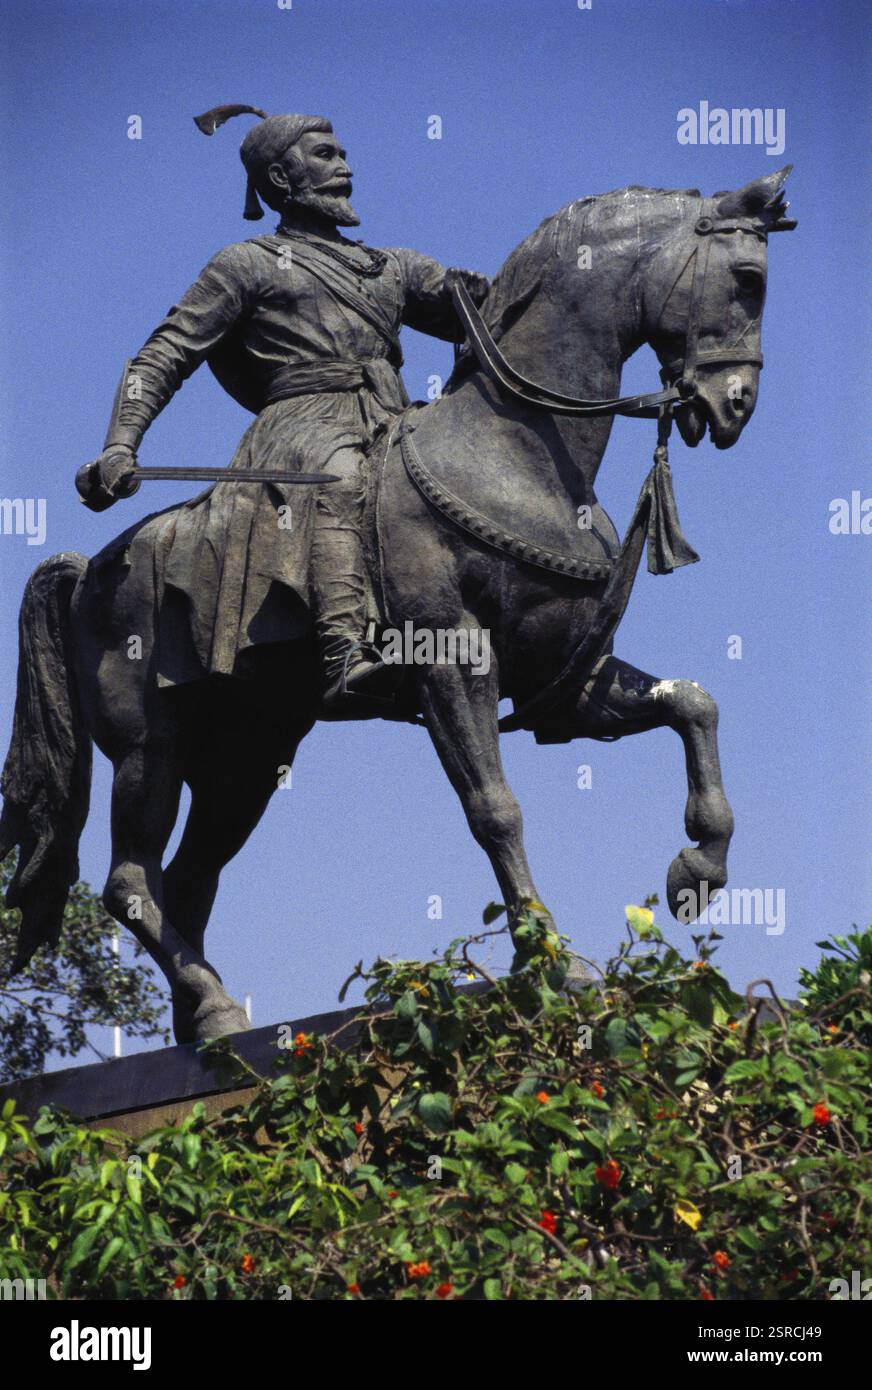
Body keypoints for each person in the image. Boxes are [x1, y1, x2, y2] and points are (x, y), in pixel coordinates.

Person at [81, 105, 489, 710]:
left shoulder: (390, 267)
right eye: (325, 155)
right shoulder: (245, 264)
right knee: (342, 479)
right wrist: (120, 444)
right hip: (304, 427)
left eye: (344, 154)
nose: (343, 166)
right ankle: (343, 652)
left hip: (391, 417)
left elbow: (485, 315)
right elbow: (163, 356)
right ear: (280, 179)